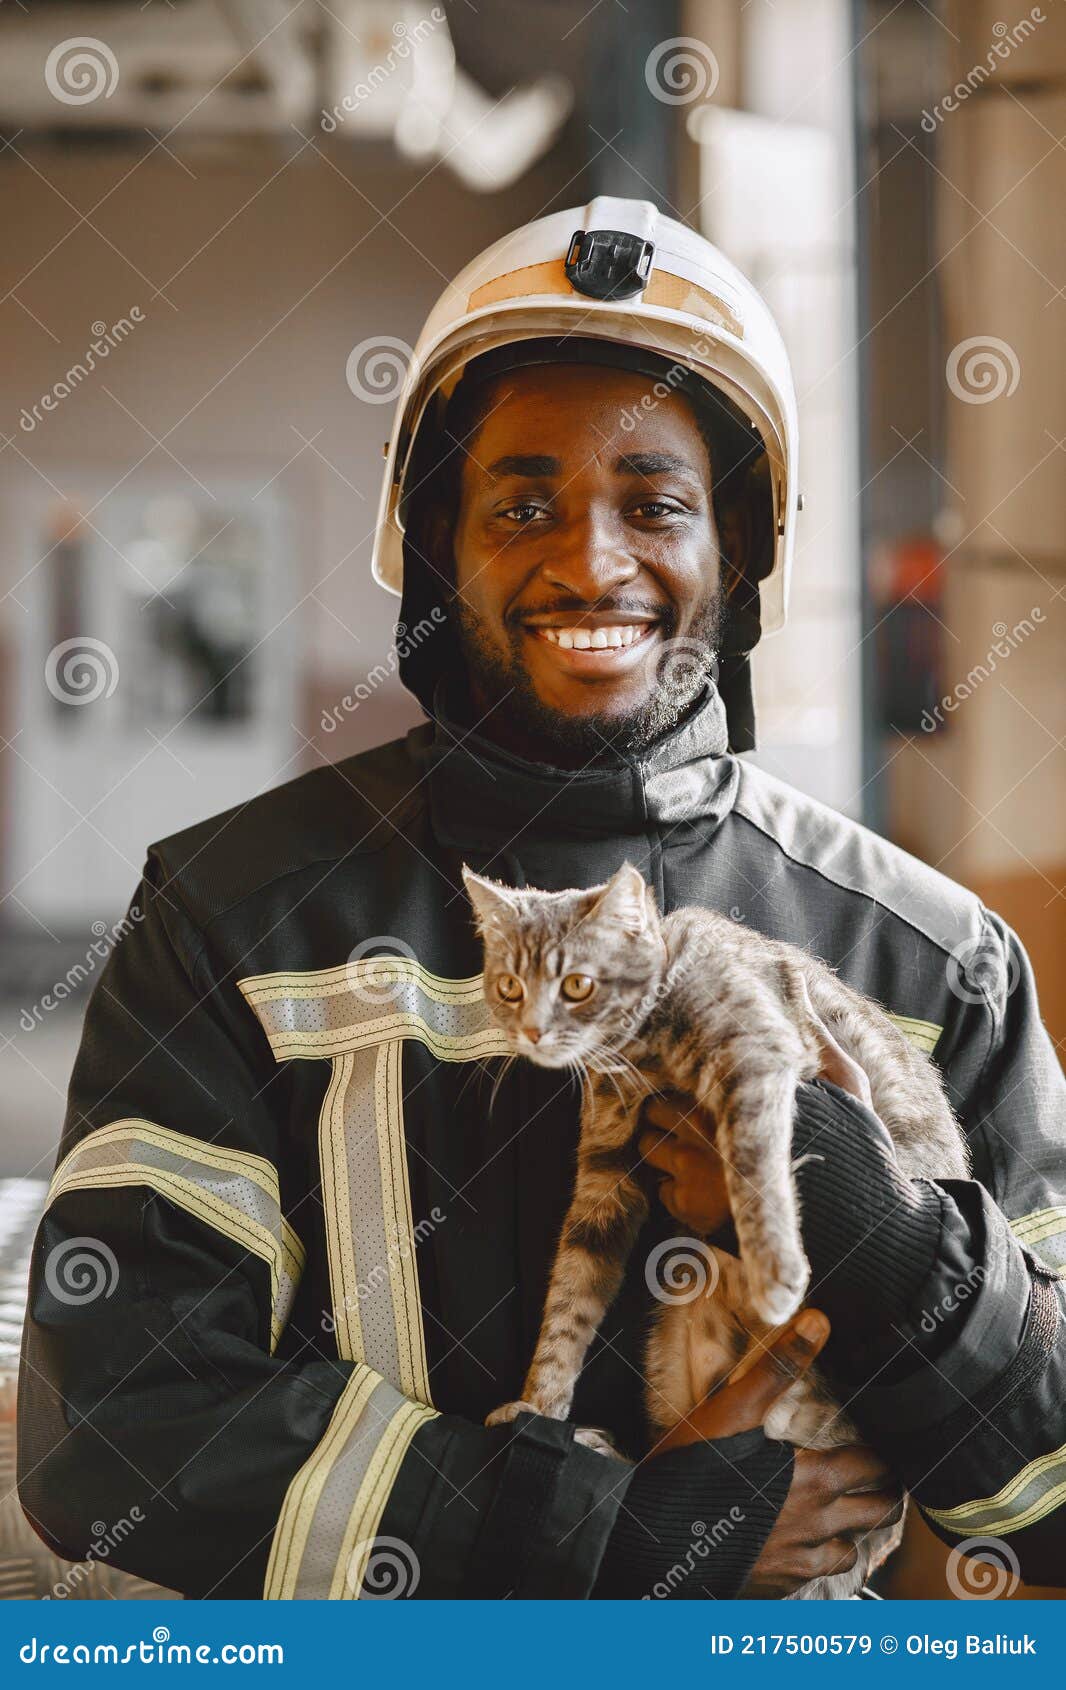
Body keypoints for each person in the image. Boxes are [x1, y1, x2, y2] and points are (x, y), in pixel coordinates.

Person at [17, 198, 1066, 1601]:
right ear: (438, 549)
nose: (590, 560)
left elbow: (1046, 1517)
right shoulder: (231, 913)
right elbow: (115, 1433)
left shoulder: (934, 961)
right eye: (520, 505)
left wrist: (888, 1237)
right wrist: (605, 1540)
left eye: (654, 504)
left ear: (738, 551)